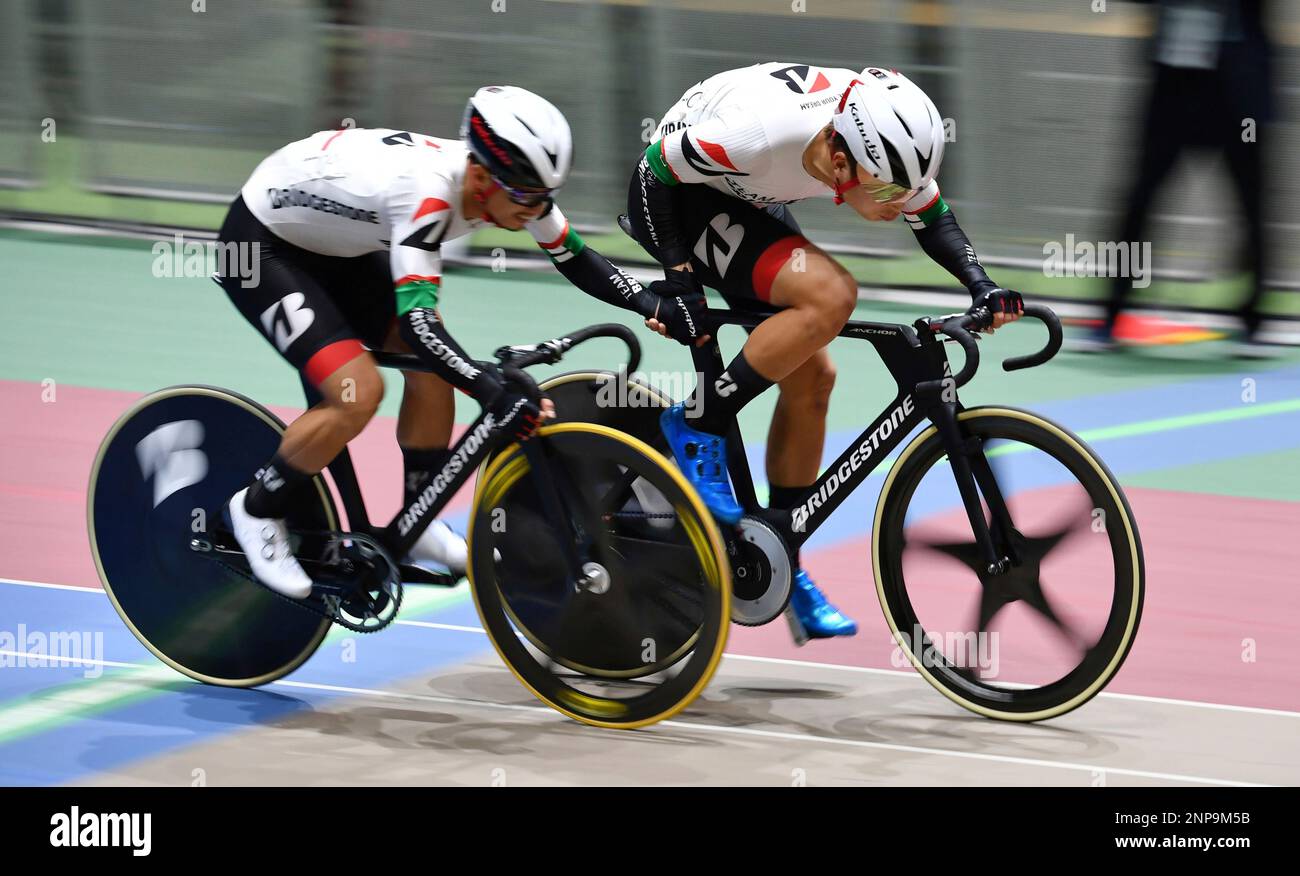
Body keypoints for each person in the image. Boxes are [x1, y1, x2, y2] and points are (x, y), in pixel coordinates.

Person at [215, 86, 701, 598]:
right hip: (262, 245)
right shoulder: (426, 196)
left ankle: (417, 520)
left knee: (431, 373)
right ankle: (255, 512)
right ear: (478, 175)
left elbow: (575, 258)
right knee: (357, 392)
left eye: (545, 198)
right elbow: (423, 328)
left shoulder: (515, 187)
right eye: (524, 198)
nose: (533, 212)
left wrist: (652, 302)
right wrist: (488, 387)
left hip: (336, 243)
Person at [624, 62, 1025, 638]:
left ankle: (783, 548)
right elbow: (651, 171)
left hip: (748, 199)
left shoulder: (877, 139)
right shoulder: (759, 136)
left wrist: (981, 285)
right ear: (840, 162)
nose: (898, 204)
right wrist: (681, 280)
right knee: (831, 294)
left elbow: (932, 216)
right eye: (888, 191)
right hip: (678, 196)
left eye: (907, 189)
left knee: (813, 378)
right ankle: (699, 420)